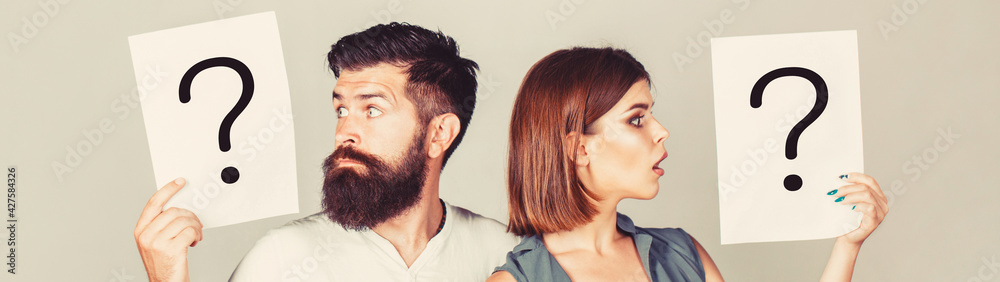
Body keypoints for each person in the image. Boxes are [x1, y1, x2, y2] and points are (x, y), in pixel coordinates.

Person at [133, 23, 520, 281]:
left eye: (372, 109)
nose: (344, 132)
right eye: (341, 109)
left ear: (438, 134)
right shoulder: (281, 259)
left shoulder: (509, 256)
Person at [488, 47, 889, 281]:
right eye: (637, 119)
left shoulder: (682, 252)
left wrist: (846, 246)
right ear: (578, 148)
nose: (662, 131)